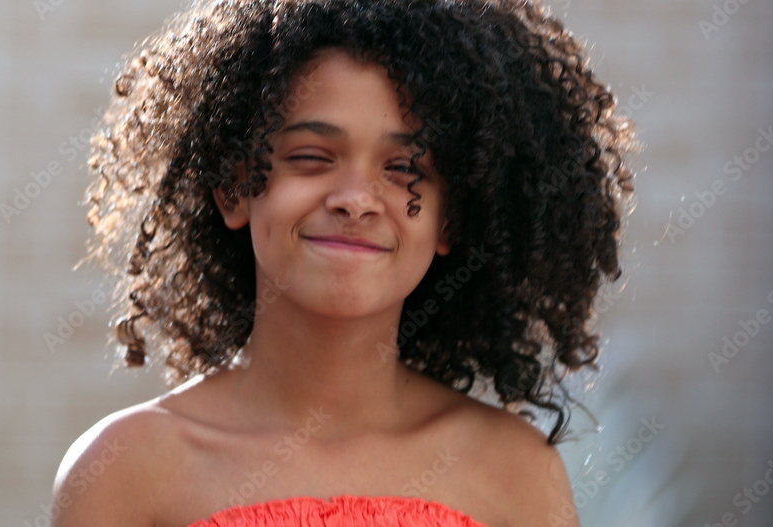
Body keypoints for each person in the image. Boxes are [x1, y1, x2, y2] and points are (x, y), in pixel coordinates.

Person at [53, 0, 636, 525]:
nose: (356, 199)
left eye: (405, 169)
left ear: (450, 220)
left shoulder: (516, 474)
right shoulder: (124, 469)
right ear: (234, 189)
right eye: (312, 157)